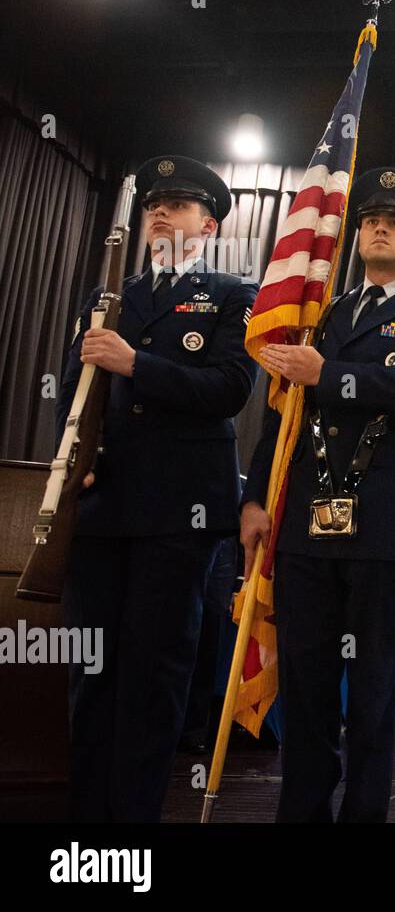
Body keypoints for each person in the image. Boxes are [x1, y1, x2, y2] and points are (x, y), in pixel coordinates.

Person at [241, 167, 395, 822]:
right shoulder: (321, 314)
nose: (378, 227)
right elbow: (283, 416)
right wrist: (256, 499)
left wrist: (332, 375)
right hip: (306, 523)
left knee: (374, 689)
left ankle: (366, 812)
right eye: (371, 218)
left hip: (388, 526)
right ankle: (302, 810)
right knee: (308, 685)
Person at [58, 154, 258, 821]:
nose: (162, 213)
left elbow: (229, 389)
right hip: (104, 506)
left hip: (180, 511)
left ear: (209, 224)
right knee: (92, 673)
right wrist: (74, 457)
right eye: (154, 204)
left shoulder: (232, 295)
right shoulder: (109, 297)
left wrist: (137, 362)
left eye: (178, 204)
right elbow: (78, 393)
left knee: (154, 676)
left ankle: (132, 828)